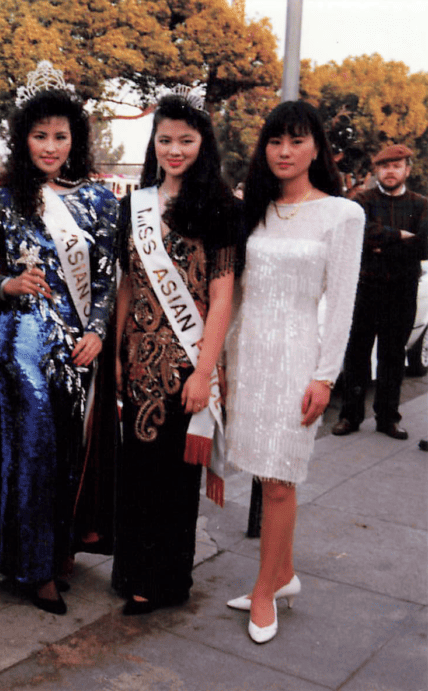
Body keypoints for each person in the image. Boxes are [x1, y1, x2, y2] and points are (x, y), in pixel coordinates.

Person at [225, 100, 364, 644]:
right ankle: (282, 575)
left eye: (297, 141)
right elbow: (234, 293)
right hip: (249, 358)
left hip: (298, 360)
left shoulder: (342, 214)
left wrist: (325, 376)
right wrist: (219, 365)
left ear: (316, 148)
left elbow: (342, 302)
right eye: (275, 142)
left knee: (281, 480)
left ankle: (264, 590)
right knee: (266, 474)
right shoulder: (253, 208)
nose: (284, 152)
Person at [0, 79, 118, 616]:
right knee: (32, 453)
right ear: (24, 139)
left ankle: (59, 551)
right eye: (40, 135)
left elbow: (106, 277)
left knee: (69, 455)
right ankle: (32, 568)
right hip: (21, 344)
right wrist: (5, 285)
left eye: (60, 135)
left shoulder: (99, 199)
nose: (51, 146)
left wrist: (99, 332)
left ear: (74, 138)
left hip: (78, 349)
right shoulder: (1, 197)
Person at [111, 92, 238, 616]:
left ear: (203, 143)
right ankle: (133, 571)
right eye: (165, 139)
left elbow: (224, 293)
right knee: (137, 473)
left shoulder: (221, 207)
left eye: (186, 139)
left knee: (174, 478)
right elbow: (126, 285)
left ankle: (166, 580)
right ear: (154, 143)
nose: (175, 149)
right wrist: (117, 353)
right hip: (138, 361)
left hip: (189, 362)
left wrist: (205, 371)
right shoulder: (133, 206)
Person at [332, 144, 428, 440]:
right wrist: (398, 236)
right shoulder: (361, 200)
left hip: (402, 289)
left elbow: (424, 245)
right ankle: (350, 416)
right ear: (377, 170)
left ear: (407, 170)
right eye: (385, 166)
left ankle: (388, 419)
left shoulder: (421, 204)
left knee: (393, 355)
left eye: (397, 166)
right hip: (366, 286)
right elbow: (355, 235)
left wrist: (378, 242)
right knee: (357, 353)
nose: (390, 171)